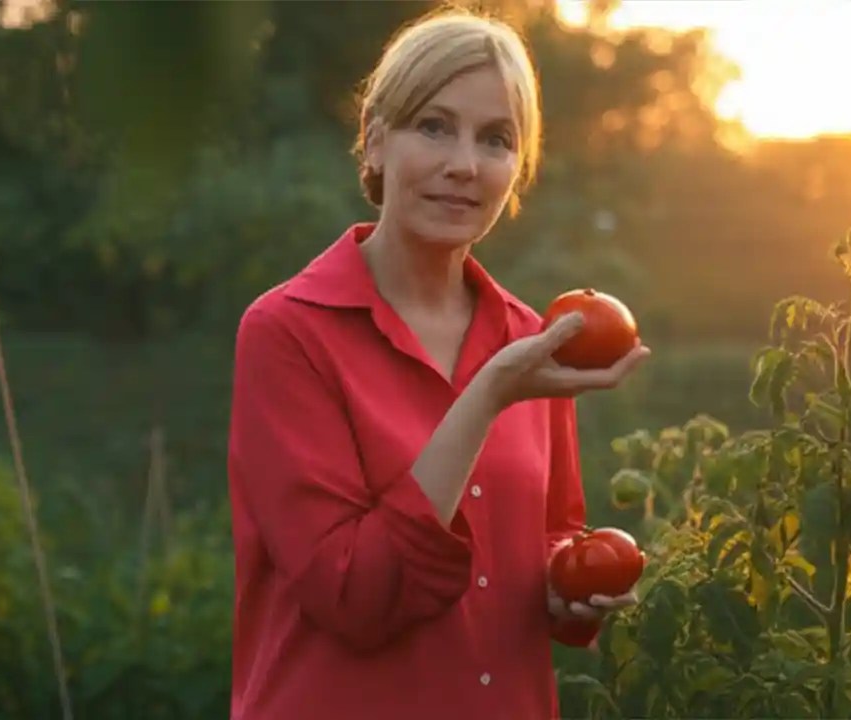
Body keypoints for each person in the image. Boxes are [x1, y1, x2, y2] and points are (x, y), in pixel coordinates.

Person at [227, 8, 651, 719]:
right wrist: (488, 395)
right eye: (433, 126)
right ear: (375, 140)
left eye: (496, 139)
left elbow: (551, 533)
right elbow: (351, 595)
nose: (464, 164)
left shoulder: (532, 337)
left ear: (517, 171)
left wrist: (566, 586)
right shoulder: (287, 333)